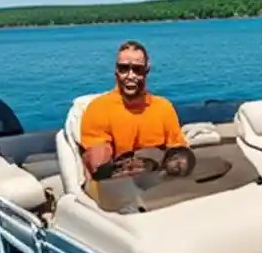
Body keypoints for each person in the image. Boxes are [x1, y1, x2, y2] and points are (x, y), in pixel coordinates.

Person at [79, 40, 188, 176]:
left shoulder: (164, 108)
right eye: (124, 68)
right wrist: (105, 164)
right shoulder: (98, 109)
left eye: (137, 69)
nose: (130, 76)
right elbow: (97, 160)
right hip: (117, 185)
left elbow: (179, 148)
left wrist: (178, 161)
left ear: (146, 70)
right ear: (116, 71)